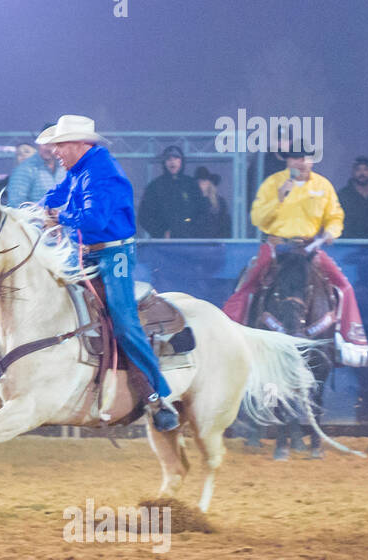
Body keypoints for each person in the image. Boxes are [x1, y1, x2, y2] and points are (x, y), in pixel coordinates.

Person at [40, 115, 179, 431]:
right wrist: (38, 209)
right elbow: (58, 194)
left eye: (60, 145)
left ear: (79, 144)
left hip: (114, 254)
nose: (55, 151)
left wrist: (60, 217)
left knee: (123, 319)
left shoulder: (103, 174)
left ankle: (158, 395)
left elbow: (94, 221)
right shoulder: (79, 169)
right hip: (88, 251)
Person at [222, 148, 368, 366]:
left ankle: (348, 343)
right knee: (247, 287)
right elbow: (258, 217)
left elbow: (335, 215)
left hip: (309, 248)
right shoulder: (273, 183)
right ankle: (233, 338)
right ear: (288, 161)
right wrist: (279, 199)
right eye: (296, 158)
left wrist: (332, 230)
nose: (301, 162)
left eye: (306, 158)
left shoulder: (323, 185)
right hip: (278, 246)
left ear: (312, 161)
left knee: (344, 287)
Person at [137, 146, 203, 239]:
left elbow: (201, 212)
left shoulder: (191, 185)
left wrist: (191, 232)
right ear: (164, 163)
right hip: (162, 245)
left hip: (189, 243)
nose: (172, 162)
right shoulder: (155, 186)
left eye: (176, 158)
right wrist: (161, 232)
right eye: (168, 159)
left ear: (181, 161)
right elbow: (144, 216)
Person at [6, 126, 65, 207]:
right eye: (44, 144)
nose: (47, 148)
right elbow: (16, 203)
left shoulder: (64, 167)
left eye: (51, 144)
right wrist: (42, 214)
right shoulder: (24, 169)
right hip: (36, 218)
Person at [192, 167, 231, 238]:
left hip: (215, 242)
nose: (200, 185)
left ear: (209, 182)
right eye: (198, 182)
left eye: (203, 181)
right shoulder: (193, 202)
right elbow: (189, 221)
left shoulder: (220, 202)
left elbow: (224, 224)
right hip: (197, 241)